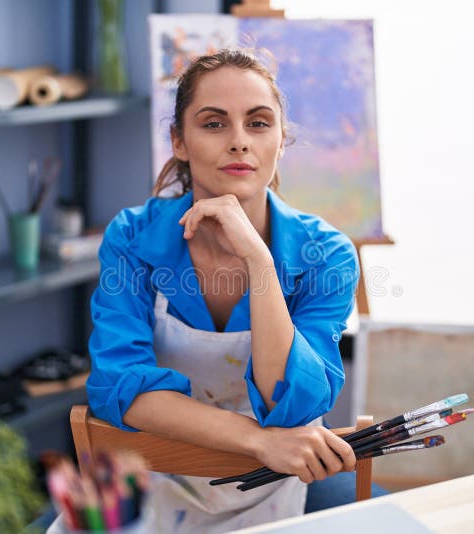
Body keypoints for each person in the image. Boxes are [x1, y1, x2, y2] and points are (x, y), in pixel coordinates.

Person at [87, 48, 370, 532]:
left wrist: (258, 261)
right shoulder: (132, 239)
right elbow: (118, 386)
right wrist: (257, 440)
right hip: (160, 474)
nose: (239, 142)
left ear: (282, 141)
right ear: (179, 141)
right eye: (214, 124)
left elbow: (297, 407)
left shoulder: (327, 255)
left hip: (284, 479)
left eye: (259, 123)